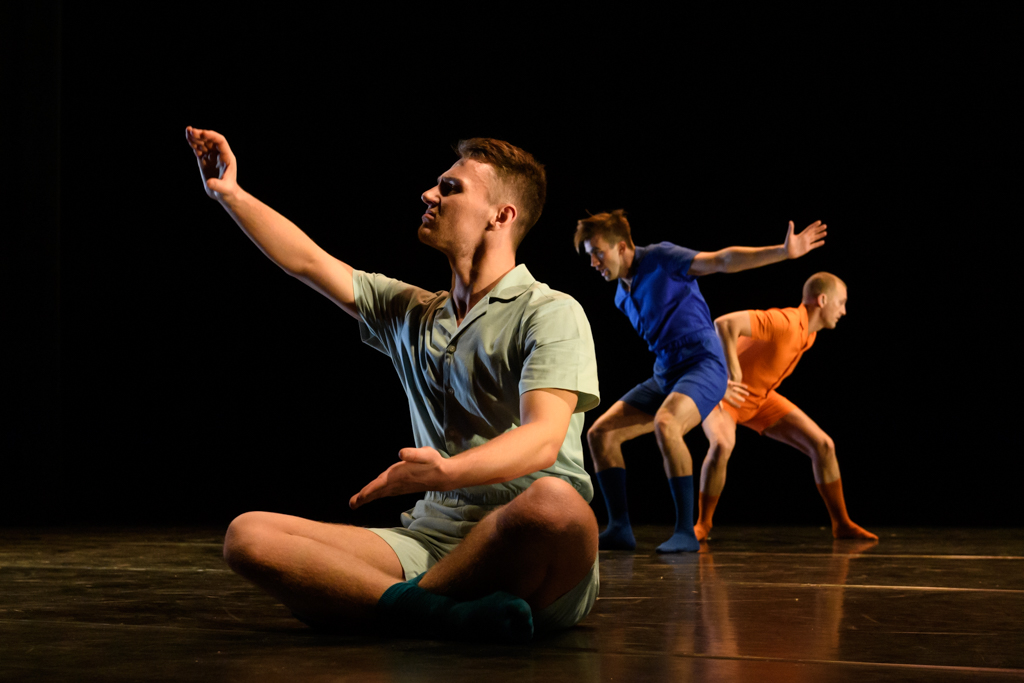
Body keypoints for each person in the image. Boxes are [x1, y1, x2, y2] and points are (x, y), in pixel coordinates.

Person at [185, 127, 602, 642]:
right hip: (427, 542)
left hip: (525, 544)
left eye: (450, 188)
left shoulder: (550, 311)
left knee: (556, 505)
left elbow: (542, 439)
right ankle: (437, 614)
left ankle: (375, 600)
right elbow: (309, 262)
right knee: (248, 534)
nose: (429, 194)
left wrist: (446, 472)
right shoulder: (414, 312)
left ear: (501, 216)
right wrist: (229, 194)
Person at [576, 210, 826, 553]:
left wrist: (782, 252)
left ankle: (685, 532)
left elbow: (721, 260)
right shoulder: (621, 294)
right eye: (589, 255)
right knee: (600, 434)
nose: (593, 262)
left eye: (597, 252)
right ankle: (619, 528)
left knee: (668, 423)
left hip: (703, 363)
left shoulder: (660, 258)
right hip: (667, 372)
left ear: (621, 247)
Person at [695, 272, 877, 541]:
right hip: (725, 397)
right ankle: (703, 525)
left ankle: (842, 524)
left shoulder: (809, 334)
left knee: (824, 445)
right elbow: (724, 323)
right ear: (823, 300)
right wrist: (731, 373)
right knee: (722, 445)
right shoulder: (786, 322)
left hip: (759, 399)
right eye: (841, 303)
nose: (844, 311)